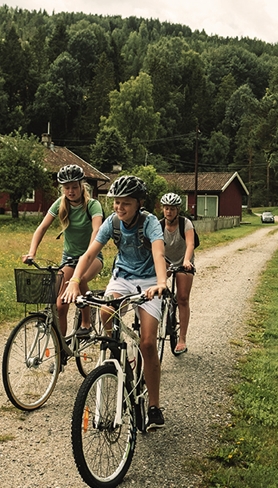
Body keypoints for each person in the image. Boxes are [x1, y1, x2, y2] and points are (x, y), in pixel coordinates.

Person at [61, 175, 168, 430]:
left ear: (139, 204)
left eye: (126, 204)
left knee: (148, 342)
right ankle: (118, 354)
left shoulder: (150, 222)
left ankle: (154, 406)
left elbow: (158, 252)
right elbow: (90, 253)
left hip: (150, 280)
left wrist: (162, 282)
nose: (119, 208)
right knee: (107, 311)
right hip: (122, 277)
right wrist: (75, 280)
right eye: (116, 203)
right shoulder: (112, 222)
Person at [22, 165, 104, 337]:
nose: (71, 191)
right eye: (67, 187)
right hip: (69, 258)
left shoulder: (92, 205)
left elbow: (97, 231)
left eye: (74, 186)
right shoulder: (60, 204)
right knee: (60, 305)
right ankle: (61, 348)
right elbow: (42, 228)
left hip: (92, 257)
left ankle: (86, 322)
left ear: (82, 186)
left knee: (79, 278)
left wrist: (88, 254)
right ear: (62, 188)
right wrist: (32, 252)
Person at [159, 192, 195, 355]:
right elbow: (155, 248)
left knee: (182, 298)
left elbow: (190, 244)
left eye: (172, 209)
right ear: (162, 209)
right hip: (166, 261)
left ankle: (182, 339)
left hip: (183, 262)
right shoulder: (158, 226)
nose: (169, 212)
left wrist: (187, 261)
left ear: (177, 210)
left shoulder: (185, 223)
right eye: (166, 208)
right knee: (156, 290)